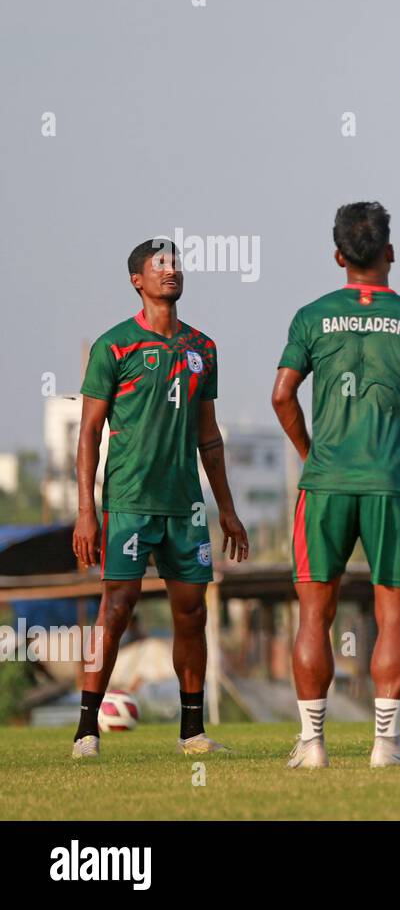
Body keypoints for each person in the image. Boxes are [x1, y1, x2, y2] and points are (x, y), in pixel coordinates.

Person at [272, 202, 400, 768]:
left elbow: (281, 395)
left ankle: (312, 744)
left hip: (325, 484)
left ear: (338, 257)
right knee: (393, 617)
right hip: (392, 483)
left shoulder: (311, 317)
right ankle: (387, 744)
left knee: (314, 615)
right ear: (390, 252)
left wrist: (310, 454)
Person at [72, 238, 249, 759]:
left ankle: (192, 733)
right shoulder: (114, 346)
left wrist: (227, 510)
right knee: (117, 608)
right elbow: (88, 434)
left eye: (176, 263)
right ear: (137, 280)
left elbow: (209, 437)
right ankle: (86, 731)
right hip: (129, 502)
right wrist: (86, 512)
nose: (171, 271)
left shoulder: (202, 348)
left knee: (192, 614)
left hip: (186, 507)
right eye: (160, 265)